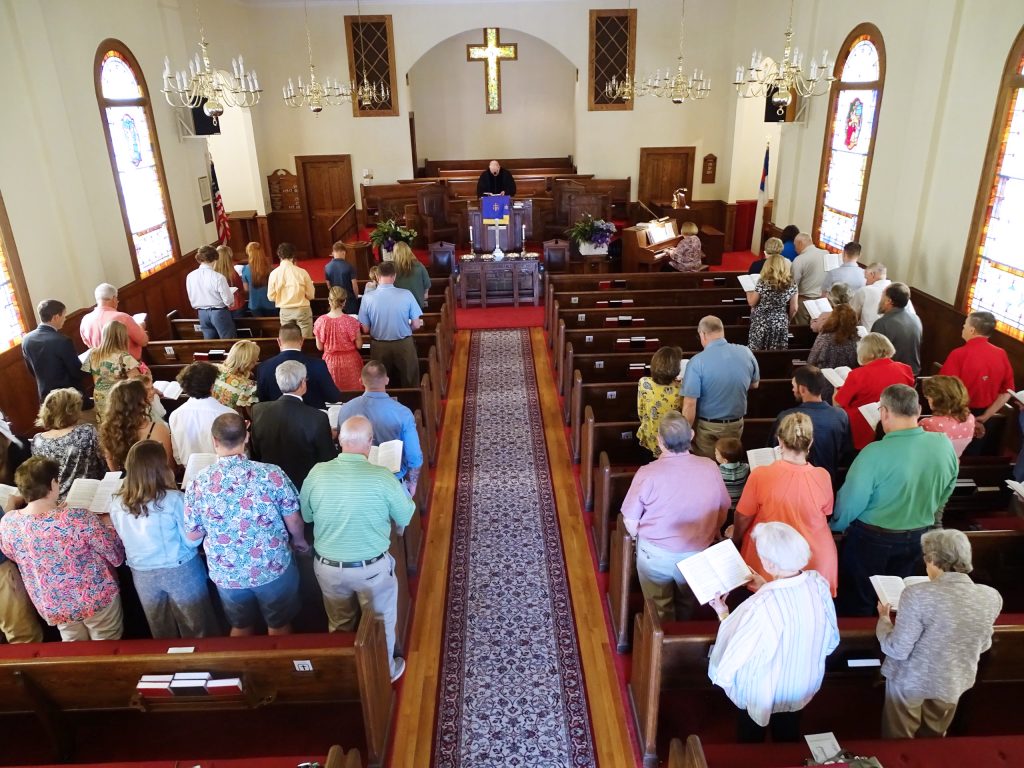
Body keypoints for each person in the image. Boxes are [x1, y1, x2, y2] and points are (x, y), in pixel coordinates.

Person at [300, 415, 414, 682]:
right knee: (380, 621)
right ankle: (385, 671)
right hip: (371, 569)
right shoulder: (382, 477)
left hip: (327, 567)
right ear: (370, 443)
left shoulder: (317, 472)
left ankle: (346, 673)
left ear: (339, 440)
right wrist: (404, 490)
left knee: (339, 623)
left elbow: (306, 515)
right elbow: (406, 517)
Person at [831, 384, 959, 616]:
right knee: (901, 599)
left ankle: (862, 638)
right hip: (920, 535)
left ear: (885, 412)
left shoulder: (873, 453)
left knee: (861, 598)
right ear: (918, 409)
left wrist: (835, 527)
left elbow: (850, 503)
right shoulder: (943, 444)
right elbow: (946, 490)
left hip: (871, 540)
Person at [708, 522, 839, 743]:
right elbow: (830, 638)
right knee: (787, 733)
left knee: (751, 738)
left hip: (764, 687)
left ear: (768, 563)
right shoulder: (818, 583)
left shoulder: (761, 605)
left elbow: (737, 648)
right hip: (801, 680)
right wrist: (765, 586)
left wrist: (723, 613)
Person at [184, 413, 310, 636]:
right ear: (246, 438)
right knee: (279, 625)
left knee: (240, 627)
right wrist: (300, 543)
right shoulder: (271, 474)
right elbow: (294, 520)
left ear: (214, 441)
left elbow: (193, 535)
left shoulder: (198, 482)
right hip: (271, 565)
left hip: (228, 573)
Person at [876, 529, 1002, 739]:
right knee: (934, 740)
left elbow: (897, 649)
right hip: (953, 679)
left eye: (926, 559)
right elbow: (983, 645)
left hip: (911, 680)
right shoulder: (991, 596)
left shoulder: (916, 594)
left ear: (933, 559)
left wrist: (884, 621)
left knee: (898, 742)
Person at [0, 456, 125, 641]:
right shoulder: (77, 518)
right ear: (52, 483)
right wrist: (108, 526)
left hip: (54, 605)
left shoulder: (9, 522)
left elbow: (12, 553)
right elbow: (116, 556)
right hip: (96, 599)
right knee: (107, 647)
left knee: (74, 652)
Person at [620, 413, 730, 621]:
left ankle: (662, 641)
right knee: (687, 600)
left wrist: (638, 539)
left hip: (656, 554)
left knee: (659, 607)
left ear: (660, 441)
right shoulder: (710, 466)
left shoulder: (648, 473)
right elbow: (723, 508)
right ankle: (682, 629)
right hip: (697, 552)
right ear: (692, 435)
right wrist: (709, 532)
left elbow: (630, 522)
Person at [108, 441, 219, 638]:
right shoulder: (173, 499)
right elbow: (191, 541)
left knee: (161, 631)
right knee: (198, 628)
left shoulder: (117, 503)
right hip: (180, 569)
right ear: (161, 467)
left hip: (142, 574)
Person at [734, 413, 837, 595]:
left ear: (780, 442)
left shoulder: (760, 474)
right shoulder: (823, 475)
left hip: (772, 556)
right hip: (815, 558)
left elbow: (743, 516)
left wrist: (736, 539)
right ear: (810, 442)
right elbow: (826, 512)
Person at [336, 361, 424, 496]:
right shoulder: (402, 412)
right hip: (391, 481)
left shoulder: (345, 409)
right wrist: (412, 485)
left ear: (361, 381)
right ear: (387, 380)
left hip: (354, 481)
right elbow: (414, 456)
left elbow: (340, 443)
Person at [681, 316, 760, 459]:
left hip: (708, 427)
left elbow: (689, 404)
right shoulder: (746, 352)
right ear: (722, 331)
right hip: (736, 424)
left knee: (708, 467)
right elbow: (755, 384)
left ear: (702, 334)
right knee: (730, 465)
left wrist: (684, 436)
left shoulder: (697, 362)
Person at [250, 360, 336, 490]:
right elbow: (327, 459)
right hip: (305, 486)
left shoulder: (258, 411)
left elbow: (256, 453)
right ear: (303, 383)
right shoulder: (317, 417)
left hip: (269, 485)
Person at [939, 311, 1014, 453]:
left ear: (972, 330)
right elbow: (1007, 392)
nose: (963, 327)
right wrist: (986, 416)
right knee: (972, 455)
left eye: (965, 324)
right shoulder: (1001, 354)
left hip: (957, 415)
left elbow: (944, 391)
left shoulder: (958, 354)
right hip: (983, 417)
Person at [771, 366, 852, 488]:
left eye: (793, 386)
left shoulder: (786, 417)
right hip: (828, 483)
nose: (792, 389)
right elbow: (846, 451)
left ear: (803, 389)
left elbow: (775, 450)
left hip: (793, 483)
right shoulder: (841, 415)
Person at [833, 332, 914, 450]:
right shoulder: (905, 369)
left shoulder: (858, 375)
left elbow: (837, 404)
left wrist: (836, 389)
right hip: (897, 426)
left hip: (863, 432)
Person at [30, 388, 105, 501]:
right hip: (90, 497)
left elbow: (40, 476)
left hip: (56, 502)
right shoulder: (87, 431)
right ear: (72, 411)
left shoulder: (38, 440)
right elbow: (103, 463)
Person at [358, 261, 424, 389]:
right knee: (410, 380)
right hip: (404, 344)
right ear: (394, 276)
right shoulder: (406, 294)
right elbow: (416, 325)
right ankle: (411, 406)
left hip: (379, 345)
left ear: (377, 277)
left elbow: (365, 329)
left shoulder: (367, 298)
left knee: (379, 382)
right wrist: (405, 329)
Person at [256, 321, 342, 410]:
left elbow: (262, 401)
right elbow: (333, 397)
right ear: (302, 340)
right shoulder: (318, 365)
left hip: (278, 420)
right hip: (313, 420)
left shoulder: (263, 367)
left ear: (278, 341)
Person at [22, 299, 89, 404]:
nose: (65, 318)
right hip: (69, 398)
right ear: (55, 317)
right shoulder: (62, 341)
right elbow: (76, 372)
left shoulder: (26, 340)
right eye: (64, 315)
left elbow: (32, 370)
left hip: (47, 398)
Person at [168, 362, 235, 468]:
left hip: (190, 473)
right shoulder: (229, 414)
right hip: (222, 472)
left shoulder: (175, 415)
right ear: (212, 386)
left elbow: (177, 456)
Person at [99, 379, 174, 472]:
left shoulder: (109, 429)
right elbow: (169, 467)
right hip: (154, 483)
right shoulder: (157, 429)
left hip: (126, 483)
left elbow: (113, 469)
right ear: (141, 401)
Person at [746, 240, 797, 351]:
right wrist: (787, 320)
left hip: (761, 322)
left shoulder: (763, 282)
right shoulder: (792, 283)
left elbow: (752, 302)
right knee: (776, 354)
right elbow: (794, 308)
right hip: (780, 322)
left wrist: (748, 291)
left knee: (757, 352)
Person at [85, 320, 142, 418]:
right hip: (119, 396)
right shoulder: (124, 357)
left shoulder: (92, 353)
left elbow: (95, 377)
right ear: (122, 337)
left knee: (106, 422)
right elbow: (137, 381)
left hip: (100, 395)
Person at [80, 283, 149, 359]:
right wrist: (140, 326)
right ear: (113, 299)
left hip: (103, 367)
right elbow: (143, 341)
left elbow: (89, 345)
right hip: (128, 366)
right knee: (147, 371)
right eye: (117, 298)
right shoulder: (123, 318)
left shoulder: (85, 320)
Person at [314, 286, 364, 391]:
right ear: (344, 302)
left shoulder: (320, 321)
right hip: (351, 362)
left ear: (329, 301)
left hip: (330, 362)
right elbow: (359, 345)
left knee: (333, 394)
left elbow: (319, 347)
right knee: (353, 394)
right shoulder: (351, 321)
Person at [636, 346, 683, 456]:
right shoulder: (681, 389)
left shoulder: (644, 383)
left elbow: (641, 411)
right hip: (671, 441)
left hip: (649, 436)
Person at [185, 245, 236, 340]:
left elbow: (191, 296)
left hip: (202, 313)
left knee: (211, 345)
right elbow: (228, 301)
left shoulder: (190, 276)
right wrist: (231, 301)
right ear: (215, 259)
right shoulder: (218, 277)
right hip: (219, 313)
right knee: (229, 342)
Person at [872, 282, 922, 375]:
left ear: (889, 301)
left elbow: (873, 357)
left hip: (892, 375)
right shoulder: (916, 318)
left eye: (883, 296)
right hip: (912, 374)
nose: (880, 300)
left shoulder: (882, 323)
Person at [919, 376, 976, 458]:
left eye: (928, 398)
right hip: (954, 464)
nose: (928, 401)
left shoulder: (929, 423)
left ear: (938, 399)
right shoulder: (970, 418)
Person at [268, 242, 315, 337]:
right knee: (306, 341)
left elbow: (271, 297)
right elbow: (311, 295)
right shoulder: (302, 272)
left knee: (289, 340)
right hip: (302, 310)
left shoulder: (274, 274)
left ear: (279, 255)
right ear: (293, 255)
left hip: (285, 311)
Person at [850, 263, 916, 329]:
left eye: (866, 278)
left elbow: (851, 314)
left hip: (868, 336)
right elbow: (912, 317)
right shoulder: (900, 293)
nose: (866, 283)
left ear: (872, 275)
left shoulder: (864, 291)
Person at [790, 233, 828, 324]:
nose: (795, 249)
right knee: (818, 328)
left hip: (804, 301)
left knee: (802, 330)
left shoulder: (799, 260)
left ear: (800, 244)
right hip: (822, 300)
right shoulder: (826, 254)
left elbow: (793, 285)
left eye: (795, 246)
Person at [212, 340, 260, 411]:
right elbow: (251, 415)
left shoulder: (214, 368)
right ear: (248, 361)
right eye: (255, 358)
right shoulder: (248, 387)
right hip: (228, 419)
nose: (258, 359)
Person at [241, 241, 277, 317]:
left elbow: (246, 289)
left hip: (254, 304)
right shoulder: (270, 268)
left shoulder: (245, 269)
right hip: (270, 303)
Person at [392, 241, 431, 309]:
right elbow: (427, 285)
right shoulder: (419, 265)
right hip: (417, 305)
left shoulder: (392, 269)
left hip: (399, 306)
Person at [715, 437, 749, 511]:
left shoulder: (717, 471)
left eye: (717, 453)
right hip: (739, 504)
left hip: (723, 505)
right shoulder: (745, 468)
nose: (715, 454)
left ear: (725, 460)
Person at [325, 240, 359, 314]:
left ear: (333, 253)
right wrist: (356, 297)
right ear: (344, 252)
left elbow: (328, 285)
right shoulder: (349, 266)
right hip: (349, 301)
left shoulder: (327, 267)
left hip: (335, 302)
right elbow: (354, 285)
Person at [215, 244, 246, 317]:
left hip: (221, 308)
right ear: (228, 258)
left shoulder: (213, 274)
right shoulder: (232, 273)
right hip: (235, 305)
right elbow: (241, 289)